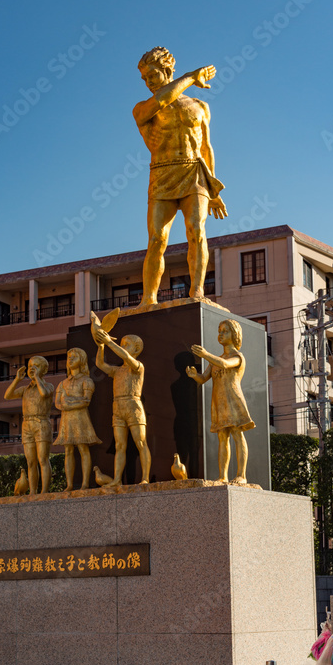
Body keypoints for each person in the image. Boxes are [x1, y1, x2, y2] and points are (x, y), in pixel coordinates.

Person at [133, 46, 227, 306]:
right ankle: (148, 299)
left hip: (194, 172)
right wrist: (189, 77)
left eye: (152, 75)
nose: (148, 82)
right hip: (162, 173)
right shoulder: (143, 109)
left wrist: (214, 191)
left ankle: (197, 292)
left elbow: (206, 148)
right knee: (157, 239)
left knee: (196, 231)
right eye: (144, 79)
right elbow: (163, 100)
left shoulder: (200, 106)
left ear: (166, 70)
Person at [186, 319, 255, 484]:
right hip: (219, 402)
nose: (221, 334)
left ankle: (241, 475)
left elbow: (224, 364)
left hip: (233, 399)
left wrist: (205, 355)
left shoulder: (237, 356)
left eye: (225, 331)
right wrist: (195, 375)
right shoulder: (215, 360)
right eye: (220, 330)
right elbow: (204, 378)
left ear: (235, 334)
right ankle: (223, 475)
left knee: (237, 434)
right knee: (222, 437)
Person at [93, 326, 151, 486]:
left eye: (127, 344)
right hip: (117, 407)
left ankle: (145, 477)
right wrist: (101, 345)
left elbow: (125, 355)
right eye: (122, 344)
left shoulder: (138, 366)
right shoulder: (117, 370)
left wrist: (109, 343)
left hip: (133, 405)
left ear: (137, 348)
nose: (123, 347)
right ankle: (117, 479)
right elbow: (99, 364)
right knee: (119, 445)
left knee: (141, 442)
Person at [53, 347, 101, 491]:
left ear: (82, 360)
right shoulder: (62, 383)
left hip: (81, 419)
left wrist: (68, 402)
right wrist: (67, 404)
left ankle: (85, 483)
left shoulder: (86, 380)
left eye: (74, 357)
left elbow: (86, 400)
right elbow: (57, 403)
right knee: (68, 450)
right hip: (67, 420)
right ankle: (69, 484)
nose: (71, 359)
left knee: (82, 448)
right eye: (69, 357)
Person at [4, 356, 53, 494]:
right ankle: (32, 492)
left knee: (43, 459)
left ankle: (45, 491)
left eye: (36, 366)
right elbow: (7, 396)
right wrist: (17, 379)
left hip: (41, 423)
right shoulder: (25, 389)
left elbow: (44, 394)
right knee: (31, 462)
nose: (32, 368)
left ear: (44, 369)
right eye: (30, 365)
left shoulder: (48, 386)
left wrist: (37, 378)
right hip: (27, 425)